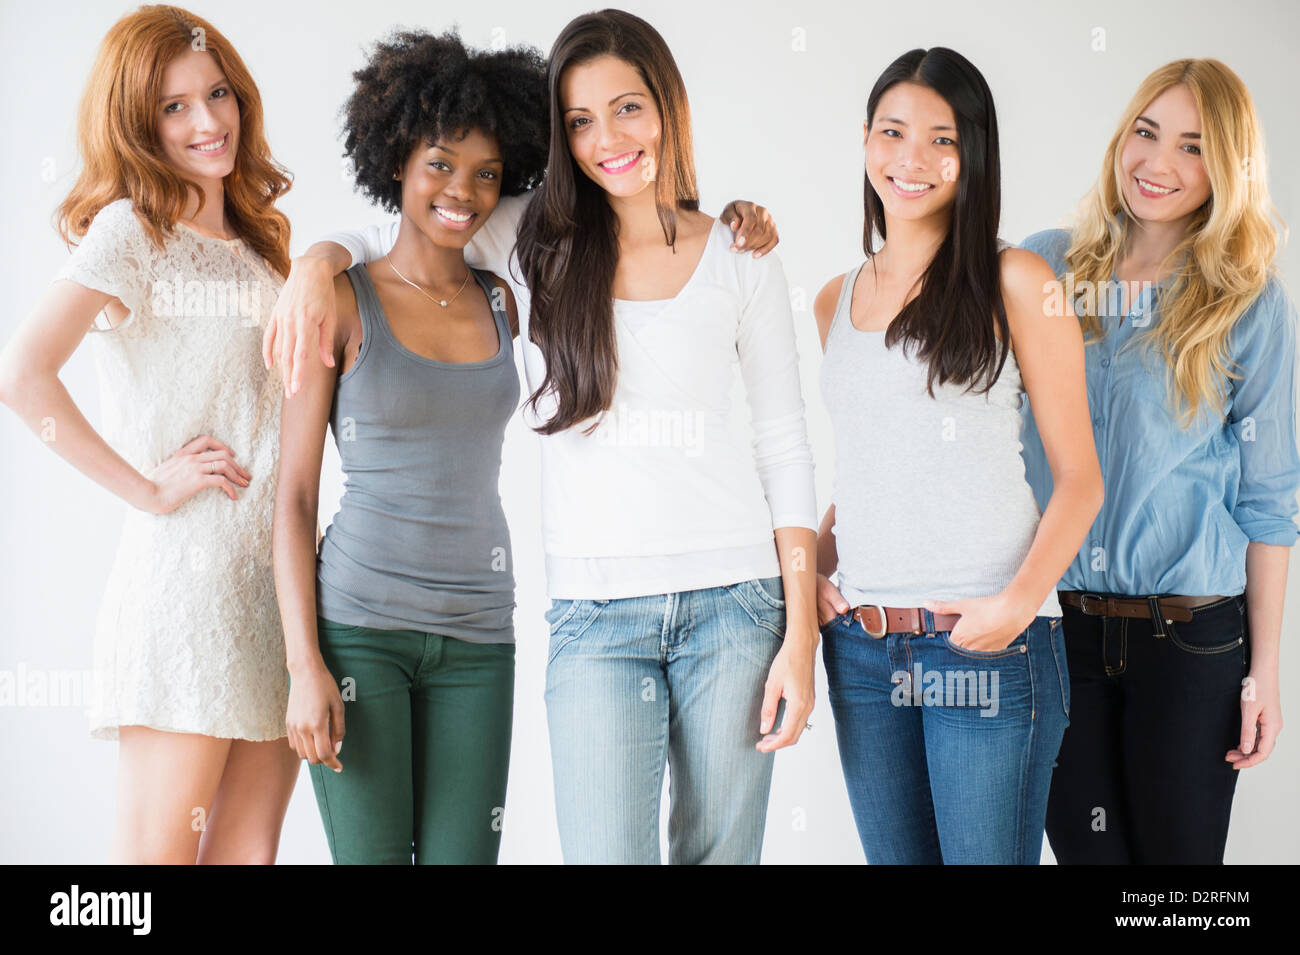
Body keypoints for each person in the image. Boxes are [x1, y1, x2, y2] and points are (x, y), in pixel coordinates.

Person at [263, 9, 812, 865]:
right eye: (581, 122)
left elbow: (786, 447)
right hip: (588, 615)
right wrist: (313, 261)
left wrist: (802, 632)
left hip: (734, 603)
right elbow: (401, 232)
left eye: (628, 108)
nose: (607, 139)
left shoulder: (740, 252)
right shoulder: (534, 238)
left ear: (668, 105)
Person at [0, 4, 298, 863]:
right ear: (138, 123)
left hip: (272, 596)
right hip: (186, 598)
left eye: (218, 94)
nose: (208, 122)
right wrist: (148, 486)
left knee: (246, 858)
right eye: (174, 107)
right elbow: (21, 373)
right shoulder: (132, 232)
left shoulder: (259, 246)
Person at [812, 47, 1103, 864]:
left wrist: (1014, 606)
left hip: (988, 647)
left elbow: (1080, 479)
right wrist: (817, 571)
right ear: (865, 139)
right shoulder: (836, 298)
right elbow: (869, 471)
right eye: (893, 132)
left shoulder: (1017, 280)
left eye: (941, 139)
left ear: (973, 153)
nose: (911, 159)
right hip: (865, 654)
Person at [272, 28, 547, 864]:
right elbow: (293, 497)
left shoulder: (507, 298)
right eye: (439, 163)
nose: (461, 190)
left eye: (486, 174)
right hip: (359, 631)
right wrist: (304, 665)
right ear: (396, 160)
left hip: (478, 636)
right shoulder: (339, 300)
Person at [1018, 58, 1300, 864]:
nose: (1159, 164)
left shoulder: (1247, 300)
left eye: (1193, 146)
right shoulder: (1046, 269)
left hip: (1193, 642)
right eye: (1147, 133)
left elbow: (1271, 501)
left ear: (1227, 169)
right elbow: (946, 375)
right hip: (1061, 633)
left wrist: (1265, 675)